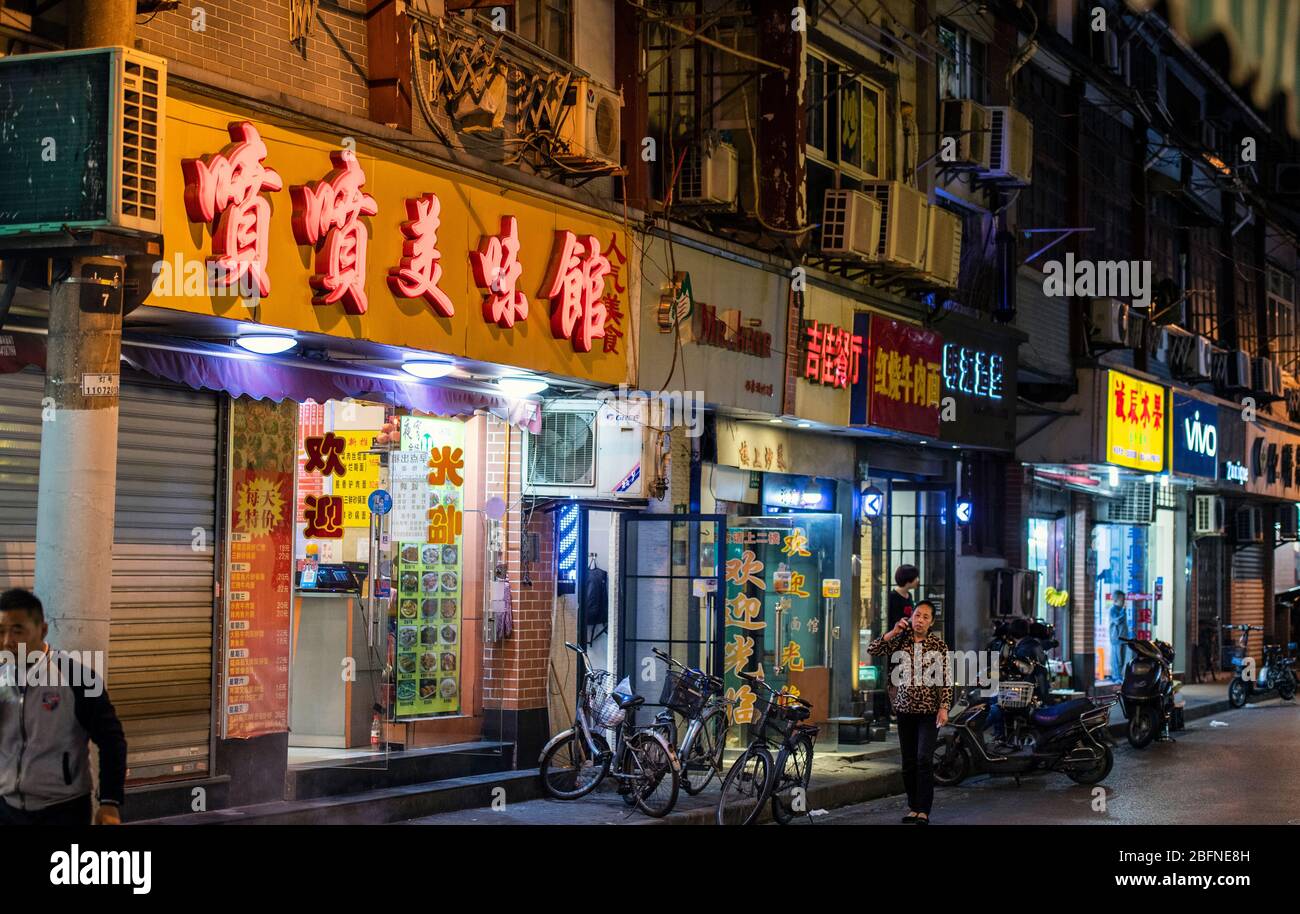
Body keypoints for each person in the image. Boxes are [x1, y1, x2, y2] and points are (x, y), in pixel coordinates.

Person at [0, 588, 127, 825]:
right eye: (0, 632)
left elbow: (112, 740)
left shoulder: (76, 678)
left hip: (62, 811)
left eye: (17, 631)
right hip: (6, 808)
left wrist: (110, 802)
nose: (7, 641)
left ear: (43, 630)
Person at [868, 600, 952, 824]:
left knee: (924, 758)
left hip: (929, 712)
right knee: (908, 762)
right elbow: (873, 649)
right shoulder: (900, 641)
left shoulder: (938, 646)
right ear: (911, 618)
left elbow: (946, 680)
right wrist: (894, 631)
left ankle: (923, 810)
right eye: (917, 616)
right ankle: (913, 807)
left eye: (925, 617)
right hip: (904, 710)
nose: (920, 620)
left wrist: (944, 708)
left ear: (931, 621)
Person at [887, 564, 920, 628]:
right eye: (915, 577)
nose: (918, 580)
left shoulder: (909, 595)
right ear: (908, 579)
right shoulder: (892, 596)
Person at [1108, 590, 1129, 683]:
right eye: (1122, 599)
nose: (1124, 601)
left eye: (1124, 599)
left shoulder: (1121, 610)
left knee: (1122, 659)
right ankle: (1116, 677)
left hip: (1123, 638)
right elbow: (1117, 621)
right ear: (1116, 600)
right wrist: (1123, 611)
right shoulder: (1113, 610)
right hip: (1116, 638)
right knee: (1117, 659)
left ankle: (1120, 676)